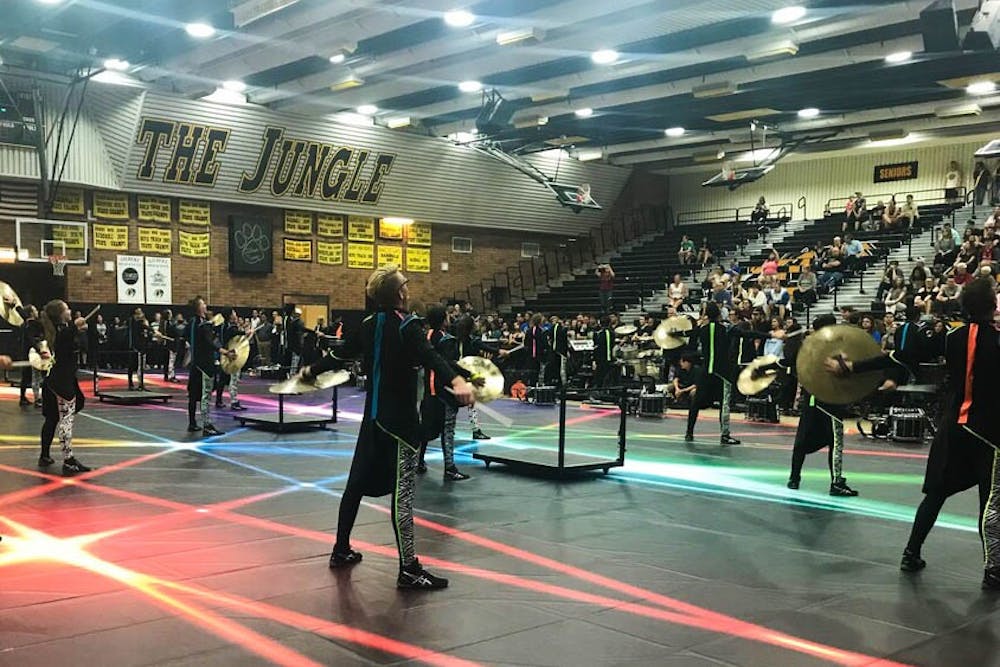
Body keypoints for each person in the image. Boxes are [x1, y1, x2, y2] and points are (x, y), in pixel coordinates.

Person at [299, 265, 475, 590]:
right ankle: (409, 569)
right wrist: (458, 380)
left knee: (354, 487)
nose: (408, 289)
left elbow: (340, 355)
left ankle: (341, 549)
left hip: (373, 421)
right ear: (399, 293)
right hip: (401, 426)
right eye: (405, 285)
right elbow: (431, 356)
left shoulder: (367, 324)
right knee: (403, 496)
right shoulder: (408, 326)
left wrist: (312, 369)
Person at [830, 279, 1000, 587]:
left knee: (936, 494)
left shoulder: (950, 337)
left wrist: (853, 367)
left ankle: (911, 552)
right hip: (988, 432)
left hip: (952, 428)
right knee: (990, 503)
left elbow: (901, 355)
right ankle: (993, 570)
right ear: (993, 306)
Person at [756, 314, 858, 496]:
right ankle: (836, 483)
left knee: (802, 441)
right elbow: (844, 370)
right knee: (835, 442)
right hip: (829, 401)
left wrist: (766, 365)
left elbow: (790, 362)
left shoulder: (808, 347)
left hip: (811, 400)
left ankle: (794, 478)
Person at [683, 302, 781, 444]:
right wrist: (770, 335)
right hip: (722, 372)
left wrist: (669, 333)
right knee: (724, 404)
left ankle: (689, 432)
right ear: (718, 314)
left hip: (705, 372)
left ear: (706, 315)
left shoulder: (701, 329)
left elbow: (685, 335)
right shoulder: (727, 329)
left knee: (696, 402)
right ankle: (725, 435)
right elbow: (747, 334)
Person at [418, 306, 474, 481]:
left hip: (427, 390)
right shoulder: (446, 340)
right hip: (444, 392)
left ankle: (418, 462)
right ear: (444, 320)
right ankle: (450, 467)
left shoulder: (422, 337)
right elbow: (449, 364)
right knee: (448, 430)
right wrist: (469, 374)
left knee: (425, 429)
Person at [36, 300, 91, 475]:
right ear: (60, 314)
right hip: (62, 383)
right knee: (66, 420)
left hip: (55, 380)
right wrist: (76, 328)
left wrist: (77, 330)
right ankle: (68, 460)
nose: (70, 310)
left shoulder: (60, 330)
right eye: (66, 309)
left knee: (52, 418)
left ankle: (44, 455)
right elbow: (65, 338)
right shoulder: (63, 332)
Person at [186, 298, 235, 437]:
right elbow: (211, 342)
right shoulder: (203, 325)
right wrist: (225, 352)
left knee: (193, 394)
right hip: (204, 365)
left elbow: (187, 338)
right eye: (203, 304)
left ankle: (192, 423)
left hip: (194, 364)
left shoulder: (191, 323)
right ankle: (207, 425)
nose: (206, 306)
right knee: (205, 395)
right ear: (199, 308)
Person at [18, 305, 44, 408]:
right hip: (32, 352)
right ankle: (37, 398)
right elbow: (31, 339)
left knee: (26, 376)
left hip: (26, 352)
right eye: (35, 310)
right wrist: (39, 349)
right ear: (31, 313)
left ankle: (23, 398)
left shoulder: (25, 324)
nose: (37, 312)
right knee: (35, 376)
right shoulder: (33, 325)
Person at [523, 313, 551, 385]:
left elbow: (526, 343)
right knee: (536, 372)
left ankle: (533, 385)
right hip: (537, 355)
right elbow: (544, 344)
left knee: (534, 372)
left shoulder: (530, 331)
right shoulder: (540, 331)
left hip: (532, 355)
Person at [126, 308, 150, 391]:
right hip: (133, 346)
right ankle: (130, 383)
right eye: (139, 313)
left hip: (142, 346)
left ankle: (141, 384)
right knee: (132, 365)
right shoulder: (132, 321)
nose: (141, 314)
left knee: (141, 367)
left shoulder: (142, 322)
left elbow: (146, 330)